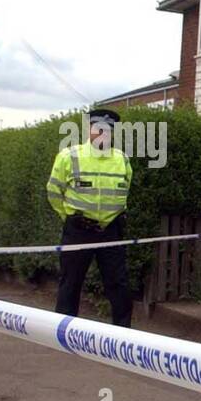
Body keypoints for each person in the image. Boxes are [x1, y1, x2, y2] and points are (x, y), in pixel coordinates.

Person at [46, 108, 134, 327]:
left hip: (111, 231)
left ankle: (124, 335)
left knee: (119, 284)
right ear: (90, 130)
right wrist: (69, 217)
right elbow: (54, 192)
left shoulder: (122, 159)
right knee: (70, 283)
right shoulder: (69, 156)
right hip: (79, 230)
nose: (103, 134)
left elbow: (126, 192)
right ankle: (63, 332)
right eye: (98, 129)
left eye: (108, 130)